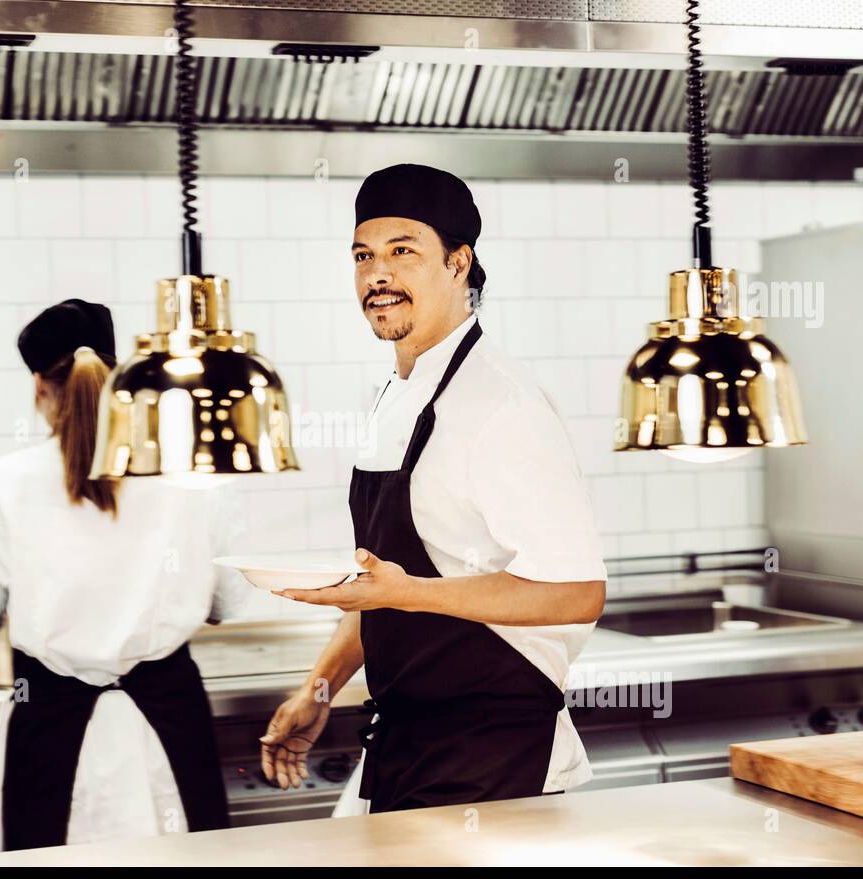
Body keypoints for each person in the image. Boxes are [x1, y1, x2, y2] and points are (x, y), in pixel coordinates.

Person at [259, 164, 607, 814]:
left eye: (402, 252)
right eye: (363, 256)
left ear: (458, 263)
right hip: (407, 743)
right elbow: (383, 589)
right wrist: (322, 689)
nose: (377, 275)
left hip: (496, 759)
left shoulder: (504, 405)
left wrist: (407, 593)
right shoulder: (395, 396)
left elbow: (579, 592)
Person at [0, 298, 249, 853]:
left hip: (47, 727)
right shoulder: (192, 477)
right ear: (120, 379)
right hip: (171, 727)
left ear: (37, 389)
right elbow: (229, 601)